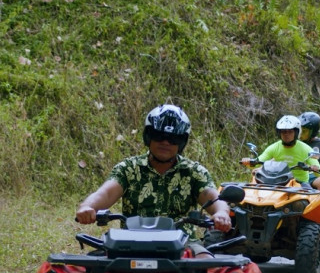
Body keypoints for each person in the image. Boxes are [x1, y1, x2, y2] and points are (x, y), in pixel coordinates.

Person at [75, 104, 232, 257]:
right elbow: (105, 193)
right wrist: (87, 207)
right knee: (93, 268)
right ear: (148, 137)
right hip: (130, 243)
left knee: (207, 264)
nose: (165, 142)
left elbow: (213, 198)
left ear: (182, 142)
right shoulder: (129, 168)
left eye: (173, 138)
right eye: (159, 135)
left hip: (184, 244)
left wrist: (222, 213)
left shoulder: (194, 172)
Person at [242, 115, 320, 190]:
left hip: (299, 183)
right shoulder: (274, 147)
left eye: (290, 132)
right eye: (283, 131)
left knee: (309, 199)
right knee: (254, 192)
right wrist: (248, 162)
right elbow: (258, 161)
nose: (286, 134)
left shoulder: (305, 149)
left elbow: (319, 172)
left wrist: (315, 168)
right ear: (279, 133)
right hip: (276, 182)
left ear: (296, 132)